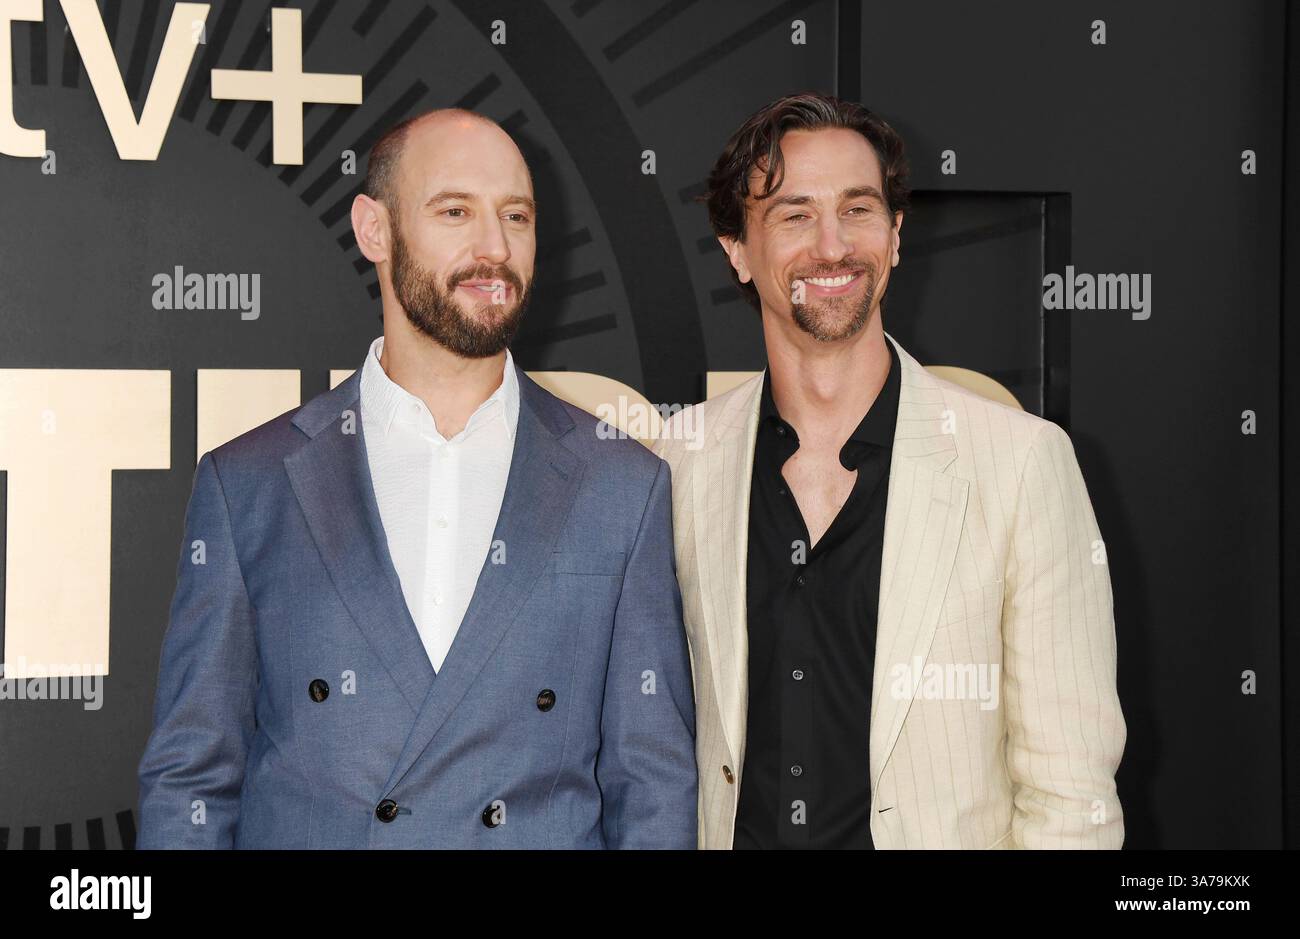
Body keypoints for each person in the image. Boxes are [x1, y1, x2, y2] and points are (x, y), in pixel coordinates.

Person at [137, 109, 697, 849]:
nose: (494, 248)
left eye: (517, 216)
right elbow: (190, 782)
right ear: (375, 229)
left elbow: (651, 787)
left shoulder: (623, 488)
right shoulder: (249, 486)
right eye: (455, 211)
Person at [656, 92, 1125, 849]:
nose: (833, 245)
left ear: (897, 235)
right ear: (736, 250)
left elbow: (1070, 796)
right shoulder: (672, 465)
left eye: (859, 209)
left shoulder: (1022, 465)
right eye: (794, 214)